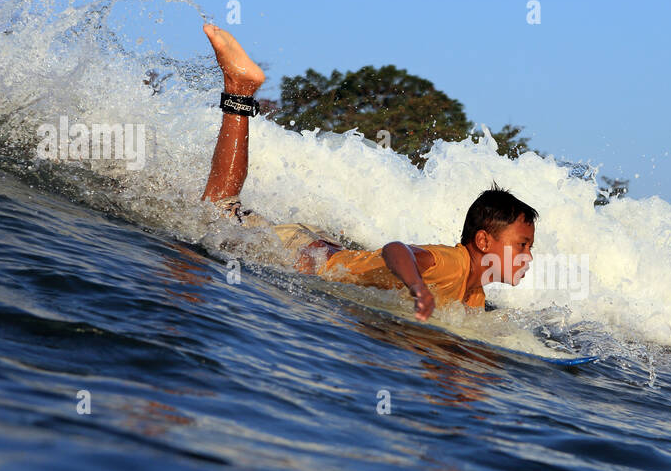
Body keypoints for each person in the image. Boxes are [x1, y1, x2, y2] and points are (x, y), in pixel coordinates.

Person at [199, 24, 537, 320]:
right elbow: (395, 250)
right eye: (521, 245)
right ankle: (239, 90)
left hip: (325, 250)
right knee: (216, 208)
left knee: (224, 209)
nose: (528, 256)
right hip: (301, 256)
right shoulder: (453, 264)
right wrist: (418, 287)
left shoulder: (474, 291)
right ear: (483, 240)